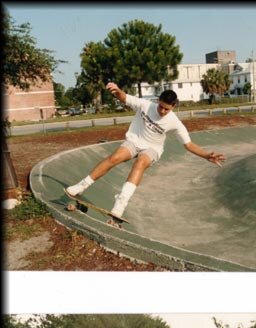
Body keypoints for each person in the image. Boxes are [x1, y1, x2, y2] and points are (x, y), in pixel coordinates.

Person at [64, 82, 226, 226]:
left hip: (152, 149)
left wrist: (206, 155)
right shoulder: (145, 105)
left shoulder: (175, 122)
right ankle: (81, 187)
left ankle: (120, 204)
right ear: (158, 101)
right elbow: (124, 98)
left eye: (166, 109)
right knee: (114, 158)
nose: (162, 111)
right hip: (134, 141)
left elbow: (188, 144)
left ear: (174, 106)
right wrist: (117, 90)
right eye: (160, 106)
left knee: (140, 162)